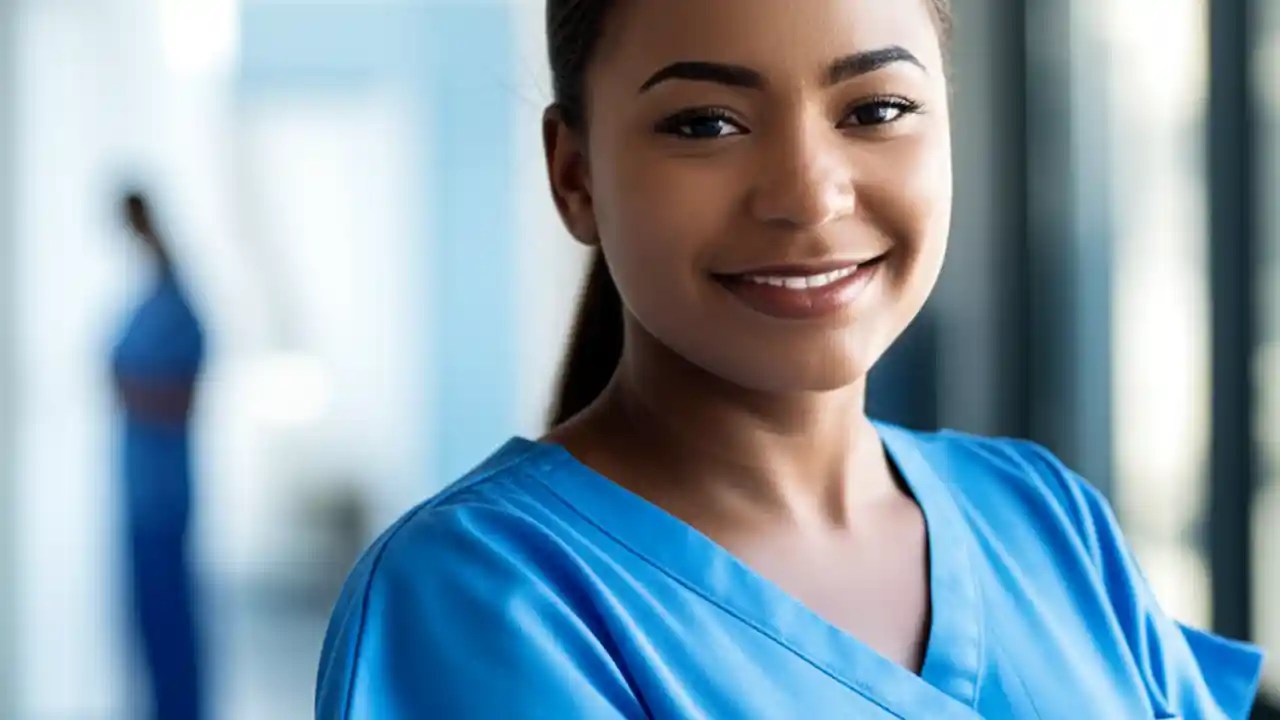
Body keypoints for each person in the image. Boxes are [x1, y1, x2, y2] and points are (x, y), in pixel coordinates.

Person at [316, 1, 1265, 717]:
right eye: (706, 124)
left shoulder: (1045, 517)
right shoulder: (480, 597)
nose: (810, 198)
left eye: (879, 108)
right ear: (577, 175)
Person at [112, 191, 205, 720]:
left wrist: (129, 389)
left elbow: (181, 396)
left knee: (170, 610)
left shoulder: (176, 303)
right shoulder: (149, 296)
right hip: (138, 480)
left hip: (162, 488)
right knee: (146, 613)